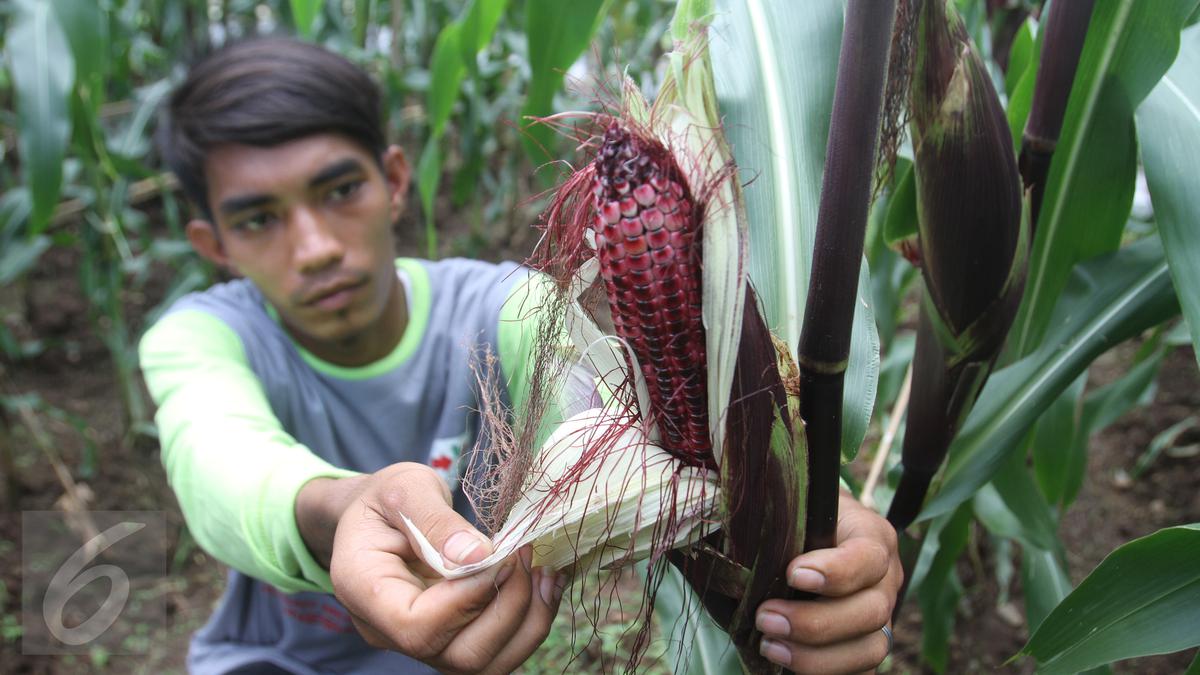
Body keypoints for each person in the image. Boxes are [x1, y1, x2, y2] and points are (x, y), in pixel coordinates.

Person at [142, 36, 903, 675]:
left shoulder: (507, 305)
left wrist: (808, 509)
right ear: (212, 245)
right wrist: (338, 506)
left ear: (395, 180)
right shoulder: (201, 336)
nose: (314, 248)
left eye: (340, 190)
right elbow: (217, 458)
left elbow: (611, 407)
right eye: (258, 220)